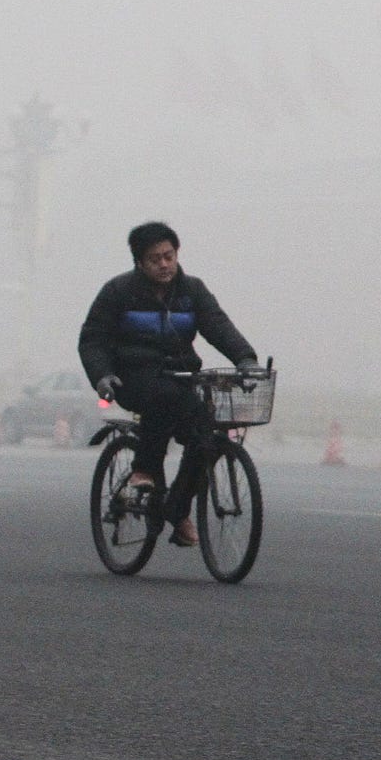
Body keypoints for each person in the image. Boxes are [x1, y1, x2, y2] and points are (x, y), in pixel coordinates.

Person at [78, 222, 257, 547]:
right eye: (155, 259)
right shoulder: (119, 292)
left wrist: (245, 358)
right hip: (132, 378)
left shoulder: (193, 292)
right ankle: (144, 469)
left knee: (207, 436)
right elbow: (93, 339)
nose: (164, 264)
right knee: (163, 397)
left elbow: (218, 326)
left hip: (180, 376)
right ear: (140, 263)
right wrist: (102, 375)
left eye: (169, 256)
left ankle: (177, 507)